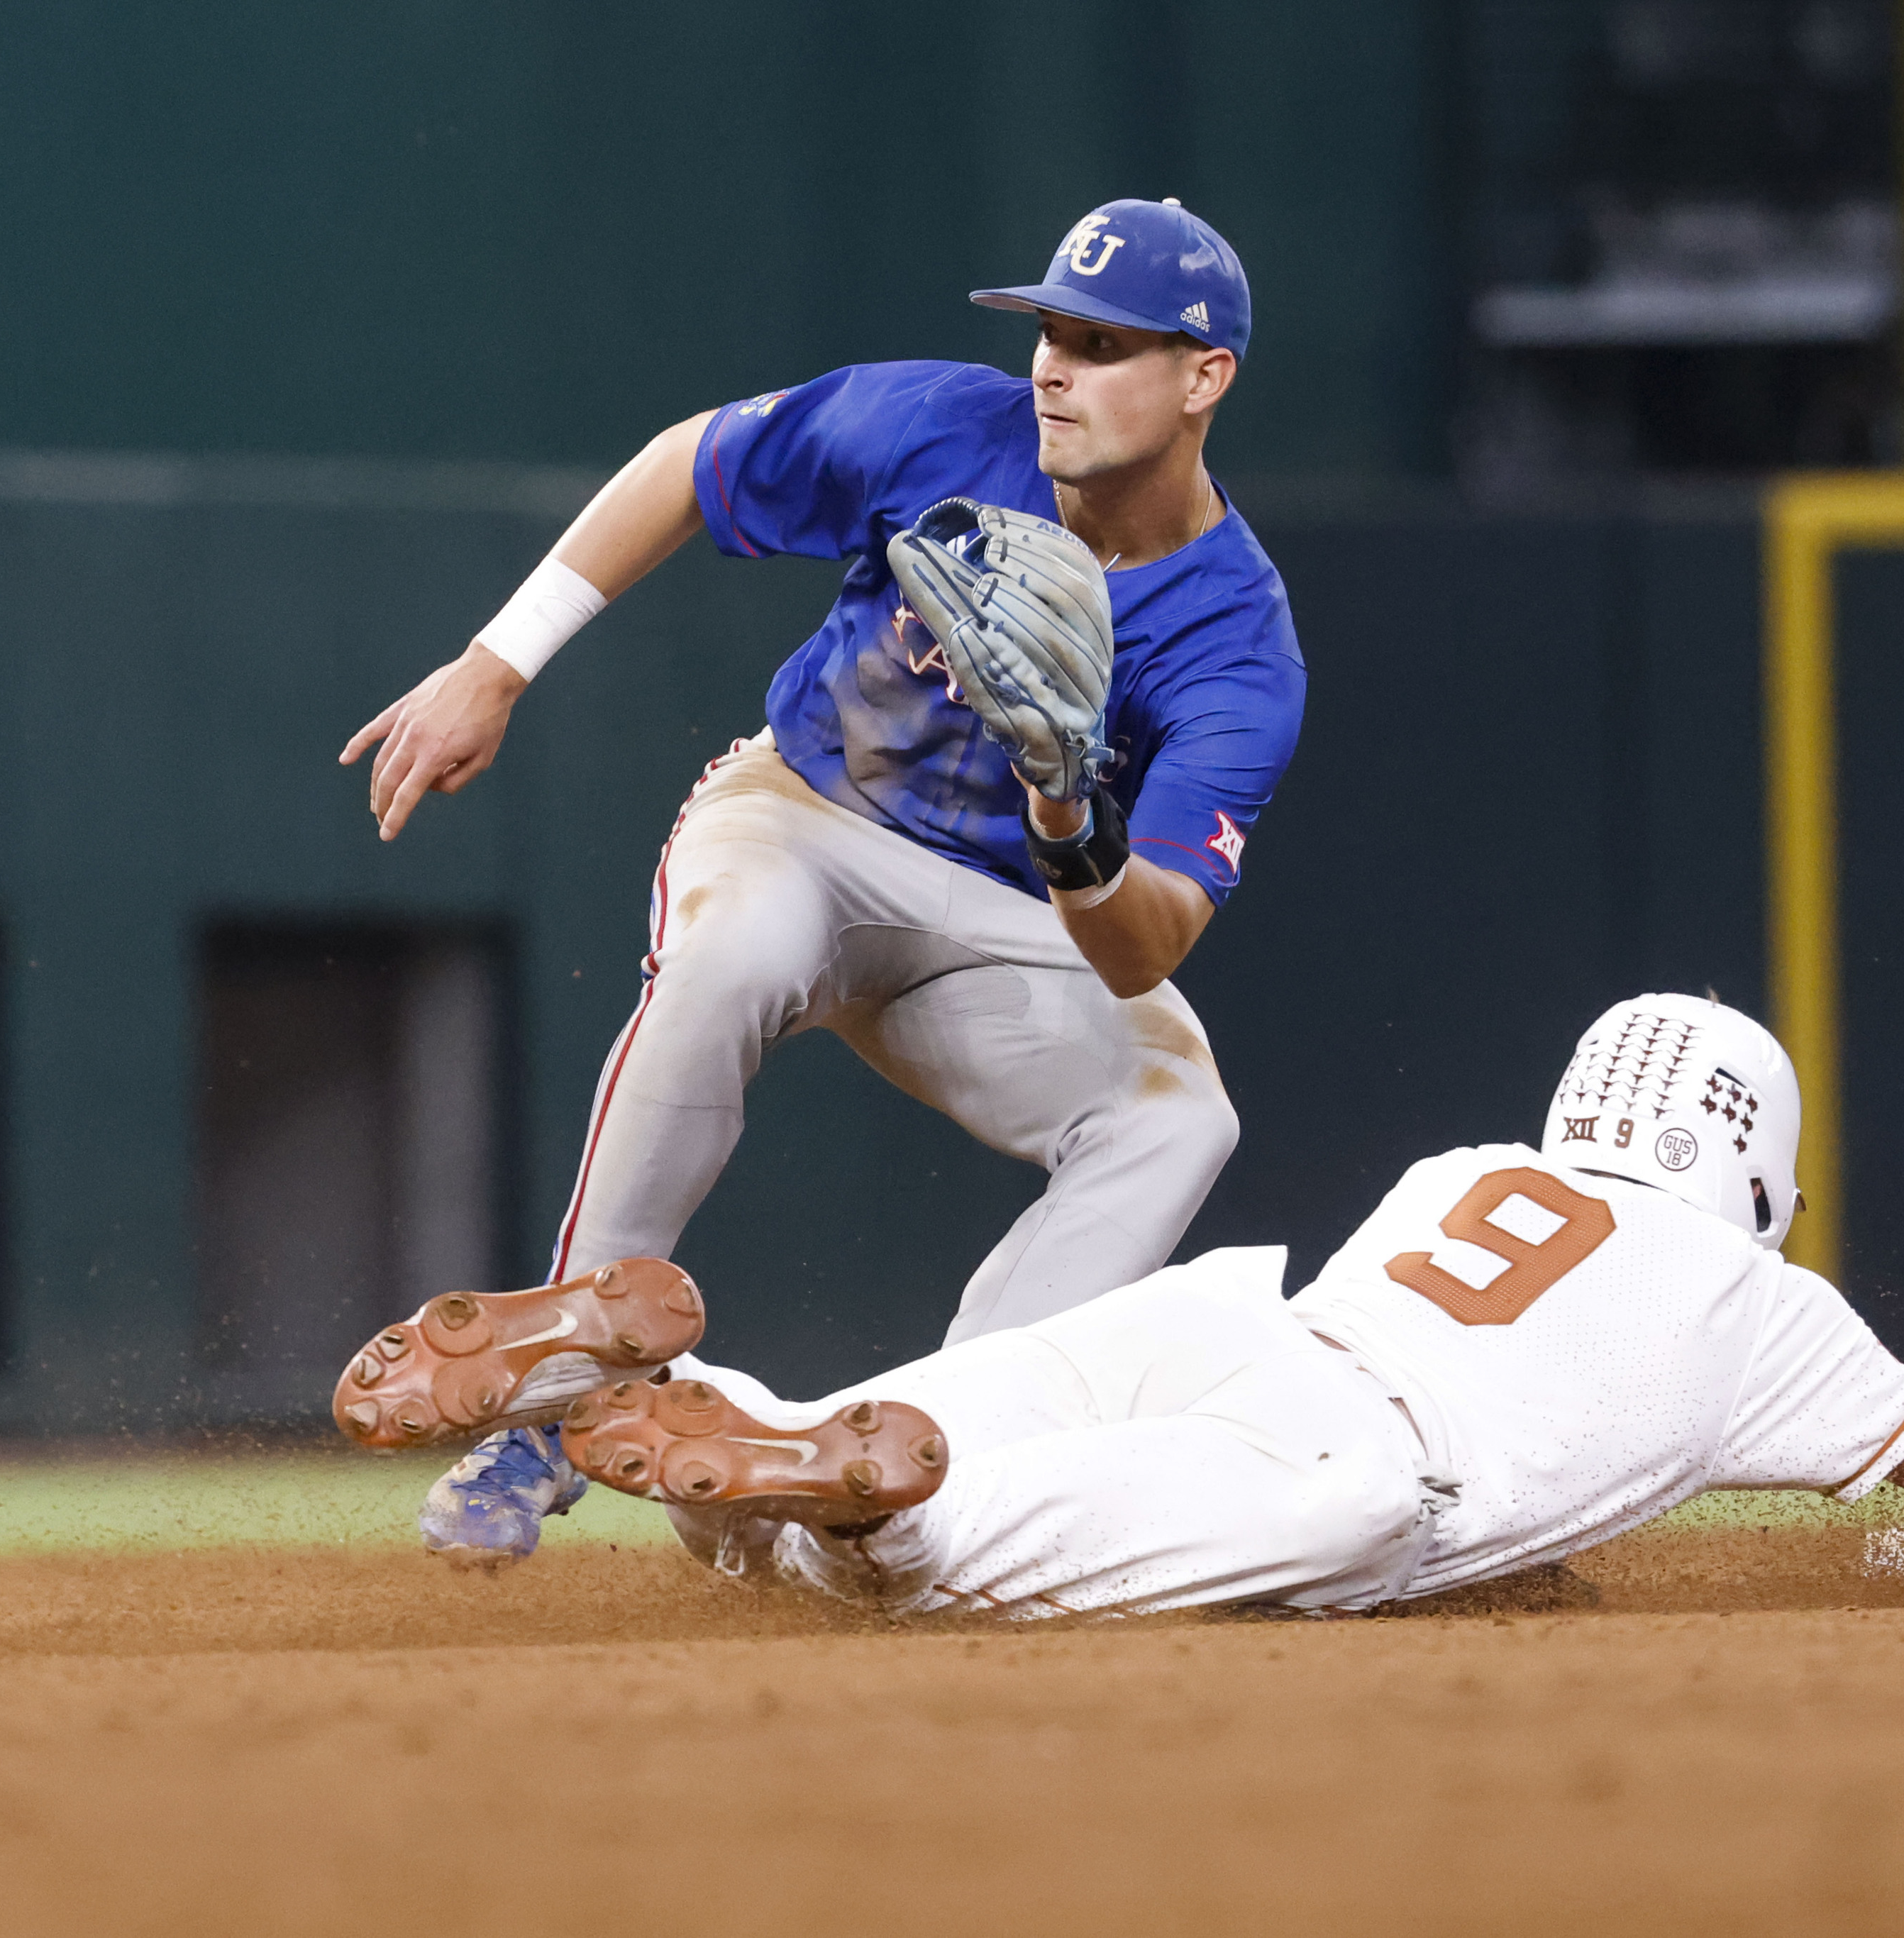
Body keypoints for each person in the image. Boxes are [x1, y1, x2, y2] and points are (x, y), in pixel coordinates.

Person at [336, 199, 1306, 1560]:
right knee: (725, 958)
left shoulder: (1236, 639)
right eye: (1047, 333)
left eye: (1100, 343)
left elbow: (1147, 947)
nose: (1053, 368)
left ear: (1205, 377)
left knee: (1177, 1117)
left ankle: (919, 1463)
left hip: (1009, 913)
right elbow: (694, 461)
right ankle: (555, 1404)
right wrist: (500, 661)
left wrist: (1067, 807)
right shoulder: (945, 428)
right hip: (801, 815)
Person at [519, 993, 1904, 1615]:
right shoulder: (1764, 1305)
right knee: (934, 1556)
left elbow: (1561, 1405)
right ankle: (866, 1492)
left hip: (1231, 1325)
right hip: (1364, 1459)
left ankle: (725, 1393)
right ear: (1758, 1167)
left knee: (931, 1440)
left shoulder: (1471, 1171)